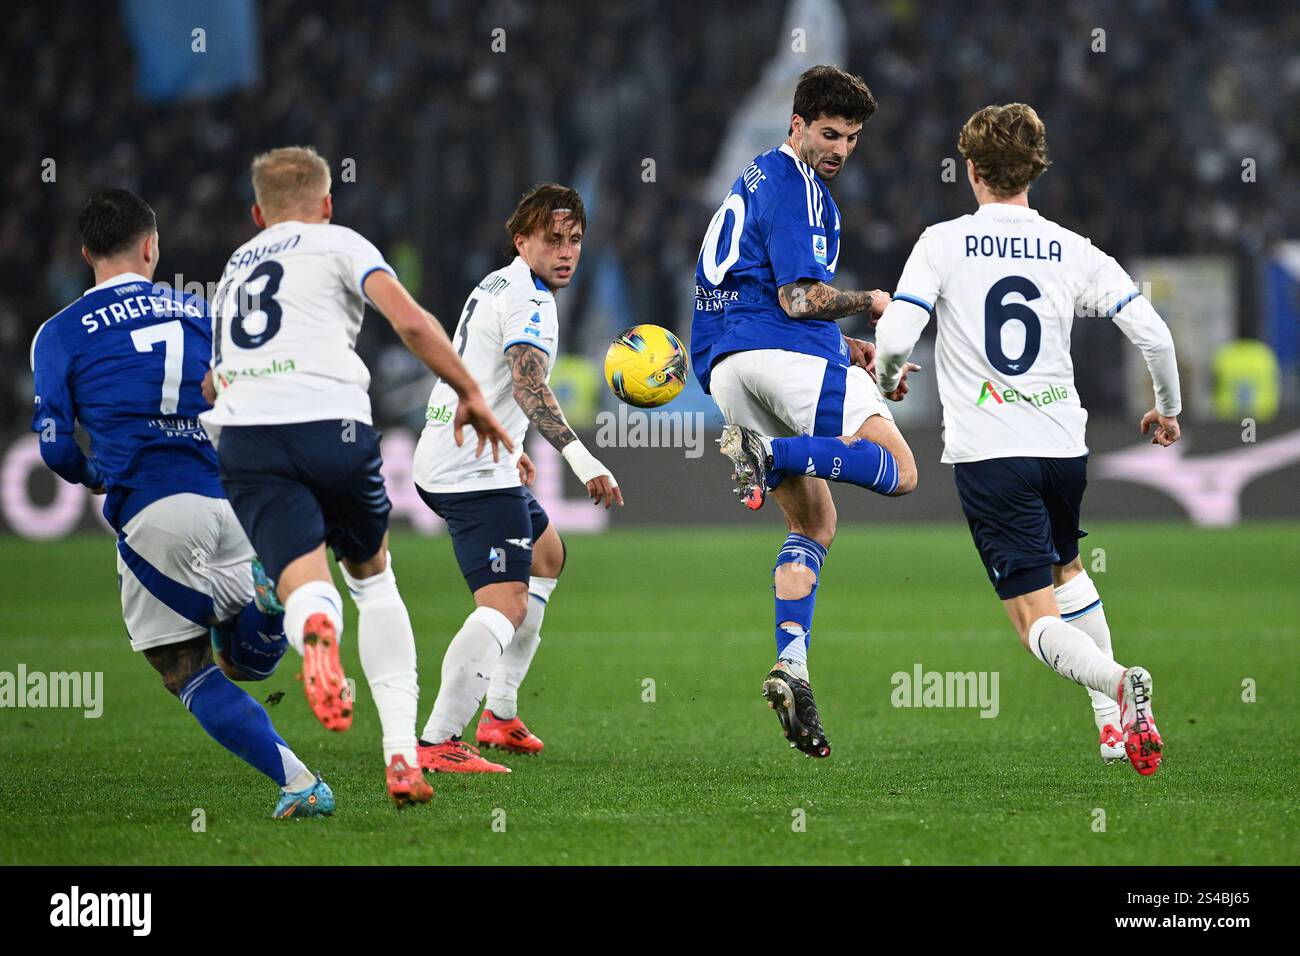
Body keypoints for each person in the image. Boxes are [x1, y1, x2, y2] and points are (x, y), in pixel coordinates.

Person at [874, 103, 1181, 775]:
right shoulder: (1073, 248)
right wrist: (1168, 409)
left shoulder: (943, 242)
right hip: (1063, 447)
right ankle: (1110, 730)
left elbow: (895, 336)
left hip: (992, 452)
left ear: (971, 170)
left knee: (1031, 618)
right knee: (1069, 567)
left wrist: (891, 380)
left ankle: (1117, 684)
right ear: (1034, 169)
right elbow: (1154, 335)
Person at [201, 146, 513, 805]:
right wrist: (469, 392)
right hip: (333, 426)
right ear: (327, 203)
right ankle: (402, 758)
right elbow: (408, 319)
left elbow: (212, 378)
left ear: (259, 214)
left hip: (249, 438)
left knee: (303, 584)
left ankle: (315, 629)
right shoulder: (340, 241)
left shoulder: (233, 271)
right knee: (373, 582)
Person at [31, 189, 332, 818]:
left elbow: (56, 449)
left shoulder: (58, 334)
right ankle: (266, 599)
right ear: (152, 246)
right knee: (245, 663)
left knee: (184, 668)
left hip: (157, 510)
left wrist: (95, 476)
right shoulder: (202, 312)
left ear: (86, 253)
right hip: (232, 500)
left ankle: (302, 786)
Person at [695, 65, 919, 758]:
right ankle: (771, 457)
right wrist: (872, 302)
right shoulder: (801, 189)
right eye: (829, 132)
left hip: (728, 370)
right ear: (796, 124)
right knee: (900, 470)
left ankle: (791, 663)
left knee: (815, 523)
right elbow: (798, 299)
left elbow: (765, 293)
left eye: (851, 137)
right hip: (784, 354)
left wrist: (847, 346)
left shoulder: (755, 176)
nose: (840, 149)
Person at [411, 183, 621, 773]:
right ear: (521, 239)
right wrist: (584, 460)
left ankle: (499, 713)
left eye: (575, 240)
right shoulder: (528, 300)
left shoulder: (498, 282)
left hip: (472, 453)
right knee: (506, 604)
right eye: (552, 239)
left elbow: (487, 376)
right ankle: (438, 741)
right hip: (469, 470)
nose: (566, 251)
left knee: (548, 555)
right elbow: (529, 387)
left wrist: (514, 445)